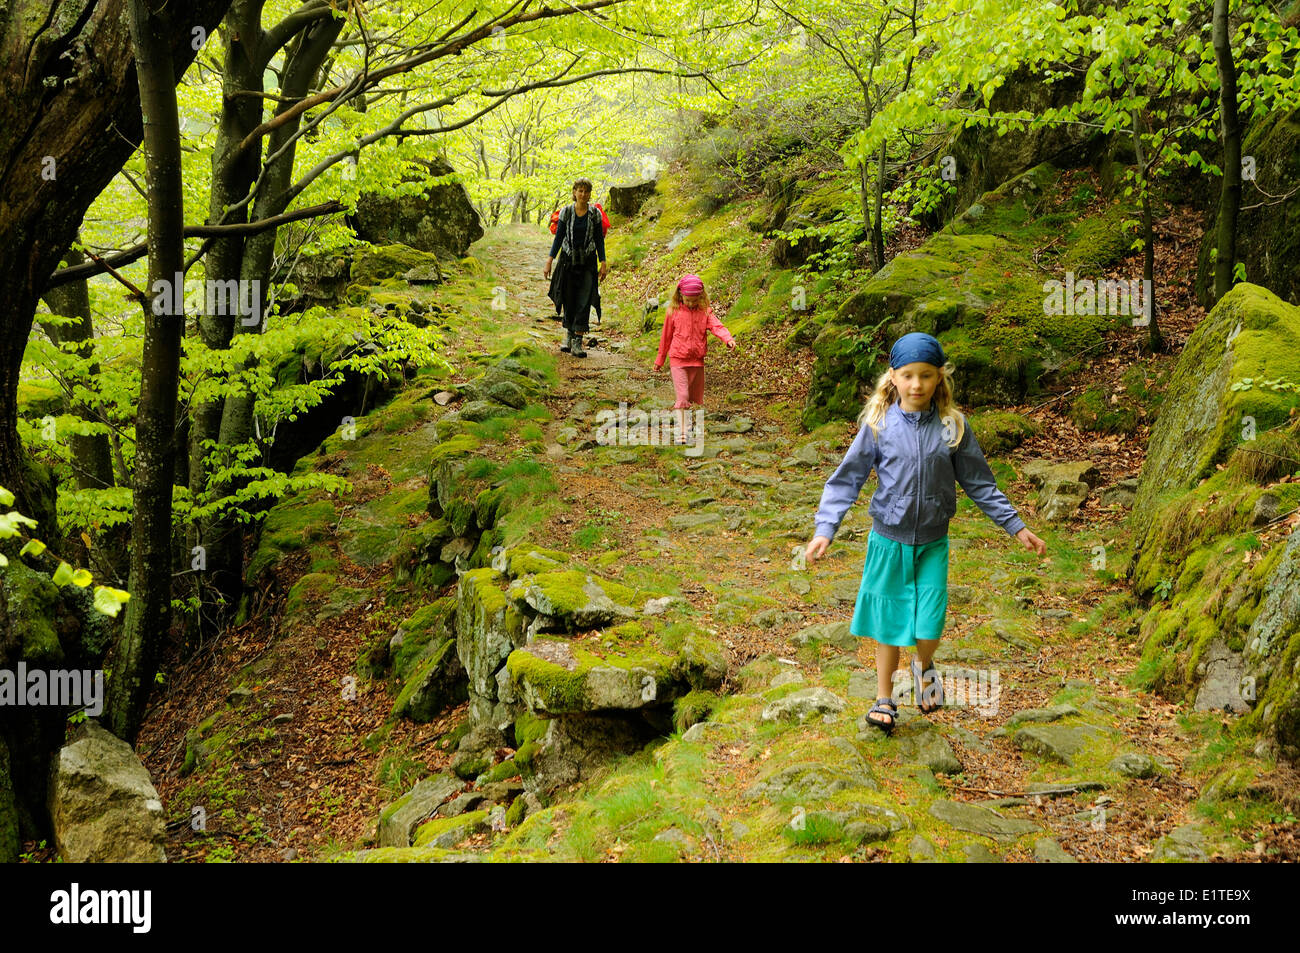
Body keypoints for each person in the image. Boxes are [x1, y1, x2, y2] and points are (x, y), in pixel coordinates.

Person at [804, 332, 1047, 734]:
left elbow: (980, 482)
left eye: (927, 376)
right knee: (888, 619)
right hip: (888, 540)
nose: (917, 384)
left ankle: (923, 664)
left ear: (939, 380)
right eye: (908, 375)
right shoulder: (878, 424)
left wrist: (1015, 525)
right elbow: (846, 480)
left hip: (933, 541)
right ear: (893, 378)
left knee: (929, 622)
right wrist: (825, 528)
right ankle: (884, 696)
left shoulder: (953, 426)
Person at [652, 274, 736, 443]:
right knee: (682, 396)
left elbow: (716, 326)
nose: (691, 303)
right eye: (687, 300)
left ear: (701, 297)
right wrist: (660, 360)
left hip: (697, 361)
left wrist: (727, 338)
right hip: (677, 359)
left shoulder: (705, 311)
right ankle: (682, 431)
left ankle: (686, 423)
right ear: (680, 295)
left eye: (694, 300)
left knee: (690, 396)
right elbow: (666, 337)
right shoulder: (673, 312)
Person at [544, 178, 607, 358]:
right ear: (574, 192)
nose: (583, 194)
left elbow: (599, 239)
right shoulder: (566, 212)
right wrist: (549, 261)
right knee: (568, 296)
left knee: (585, 298)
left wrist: (603, 262)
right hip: (567, 259)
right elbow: (559, 238)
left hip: (587, 260)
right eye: (580, 191)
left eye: (586, 191)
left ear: (589, 194)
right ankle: (569, 336)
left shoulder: (595, 214)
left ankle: (578, 340)